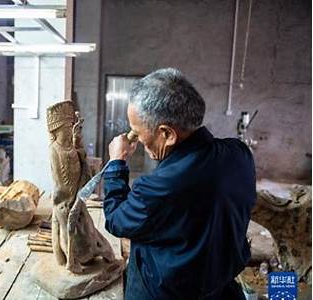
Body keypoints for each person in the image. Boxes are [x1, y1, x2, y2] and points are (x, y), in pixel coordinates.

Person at [104, 68, 256, 299]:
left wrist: (117, 164)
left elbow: (116, 221)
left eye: (137, 131)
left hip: (167, 292)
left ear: (168, 134)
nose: (137, 139)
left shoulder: (157, 187)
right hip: (221, 288)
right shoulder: (239, 154)